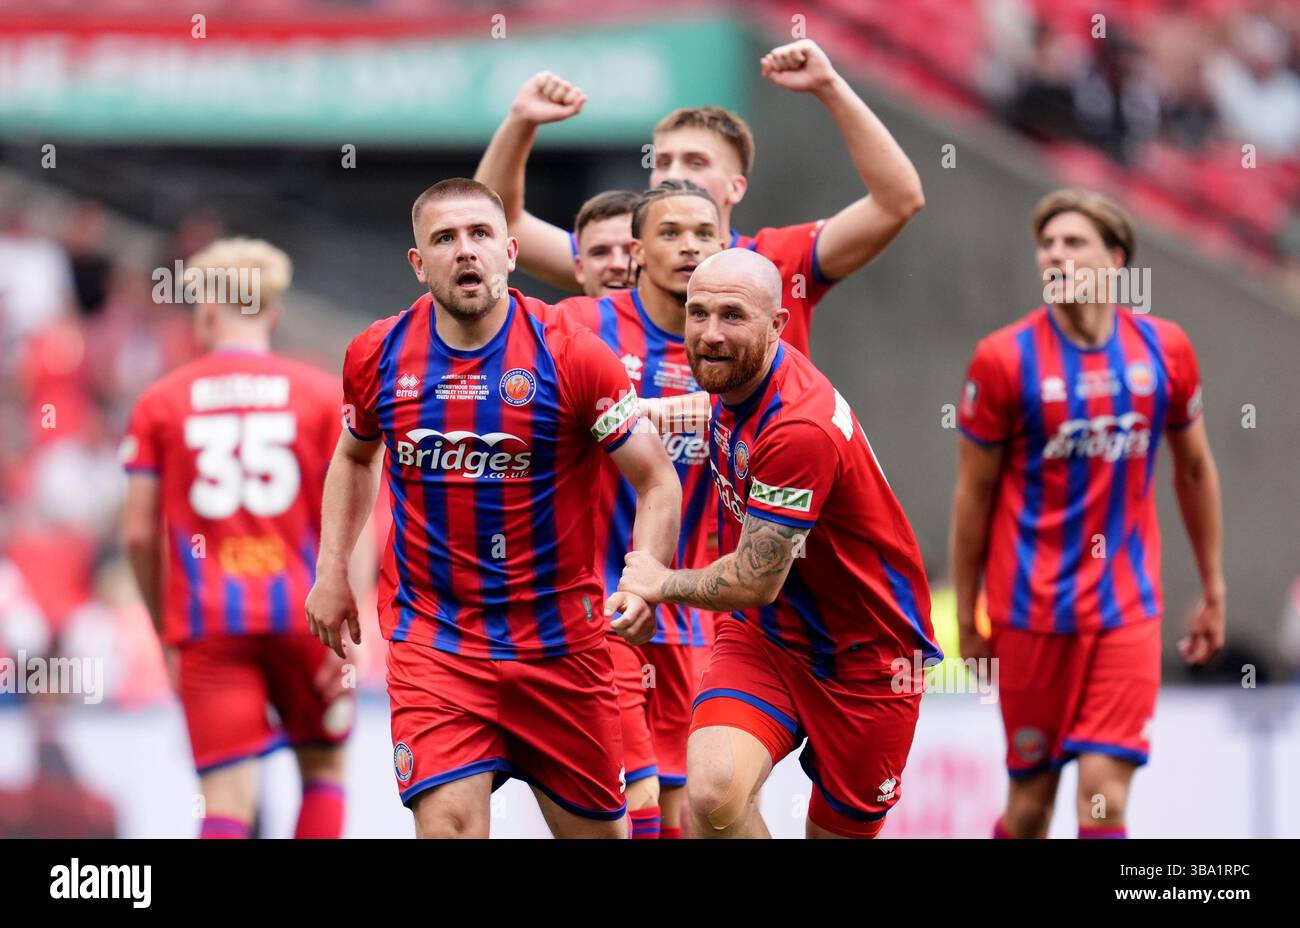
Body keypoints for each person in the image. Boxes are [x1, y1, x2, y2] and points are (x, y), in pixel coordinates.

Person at [305, 178, 681, 838]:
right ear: (420, 265)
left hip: (561, 646)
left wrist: (646, 571)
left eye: (479, 235)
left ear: (510, 251)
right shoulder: (377, 353)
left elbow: (656, 480)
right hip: (436, 641)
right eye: (445, 240)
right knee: (447, 826)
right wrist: (332, 568)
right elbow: (355, 455)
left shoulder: (572, 355)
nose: (465, 251)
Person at [617, 249, 941, 839]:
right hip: (766, 639)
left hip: (868, 659)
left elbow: (753, 580)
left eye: (732, 316)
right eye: (697, 313)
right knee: (711, 799)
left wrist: (658, 583)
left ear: (777, 326)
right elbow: (718, 405)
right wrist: (653, 412)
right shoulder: (747, 373)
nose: (710, 335)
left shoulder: (798, 429)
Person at [949, 188, 1226, 838]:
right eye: (1047, 245)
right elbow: (972, 498)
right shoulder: (1002, 360)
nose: (1055, 255)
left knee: (1103, 799)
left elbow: (1193, 470)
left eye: (1074, 243)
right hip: (1030, 614)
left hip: (1126, 609)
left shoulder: (1165, 350)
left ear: (1116, 259)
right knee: (1030, 808)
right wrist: (968, 615)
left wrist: (1213, 586)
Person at [474, 38, 925, 356]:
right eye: (663, 161)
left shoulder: (777, 261)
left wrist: (830, 87)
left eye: (695, 162)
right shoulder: (628, 257)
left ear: (736, 188)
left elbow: (897, 201)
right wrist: (520, 122)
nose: (673, 175)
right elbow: (498, 227)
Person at [120, 238, 355, 839]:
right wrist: (360, 619)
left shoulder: (160, 403)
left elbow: (138, 533)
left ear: (204, 312)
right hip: (308, 618)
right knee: (324, 769)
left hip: (210, 622)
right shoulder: (319, 393)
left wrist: (164, 627)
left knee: (225, 796)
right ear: (273, 313)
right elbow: (358, 512)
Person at [555, 180, 723, 838]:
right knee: (634, 788)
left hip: (695, 602)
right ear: (638, 252)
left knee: (685, 800)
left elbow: (772, 414)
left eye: (701, 234)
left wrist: (658, 410)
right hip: (601, 593)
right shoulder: (581, 326)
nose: (687, 248)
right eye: (670, 234)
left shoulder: (734, 331)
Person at [571, 189, 638, 297]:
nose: (617, 264)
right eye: (600, 253)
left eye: (632, 251)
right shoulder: (550, 314)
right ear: (580, 269)